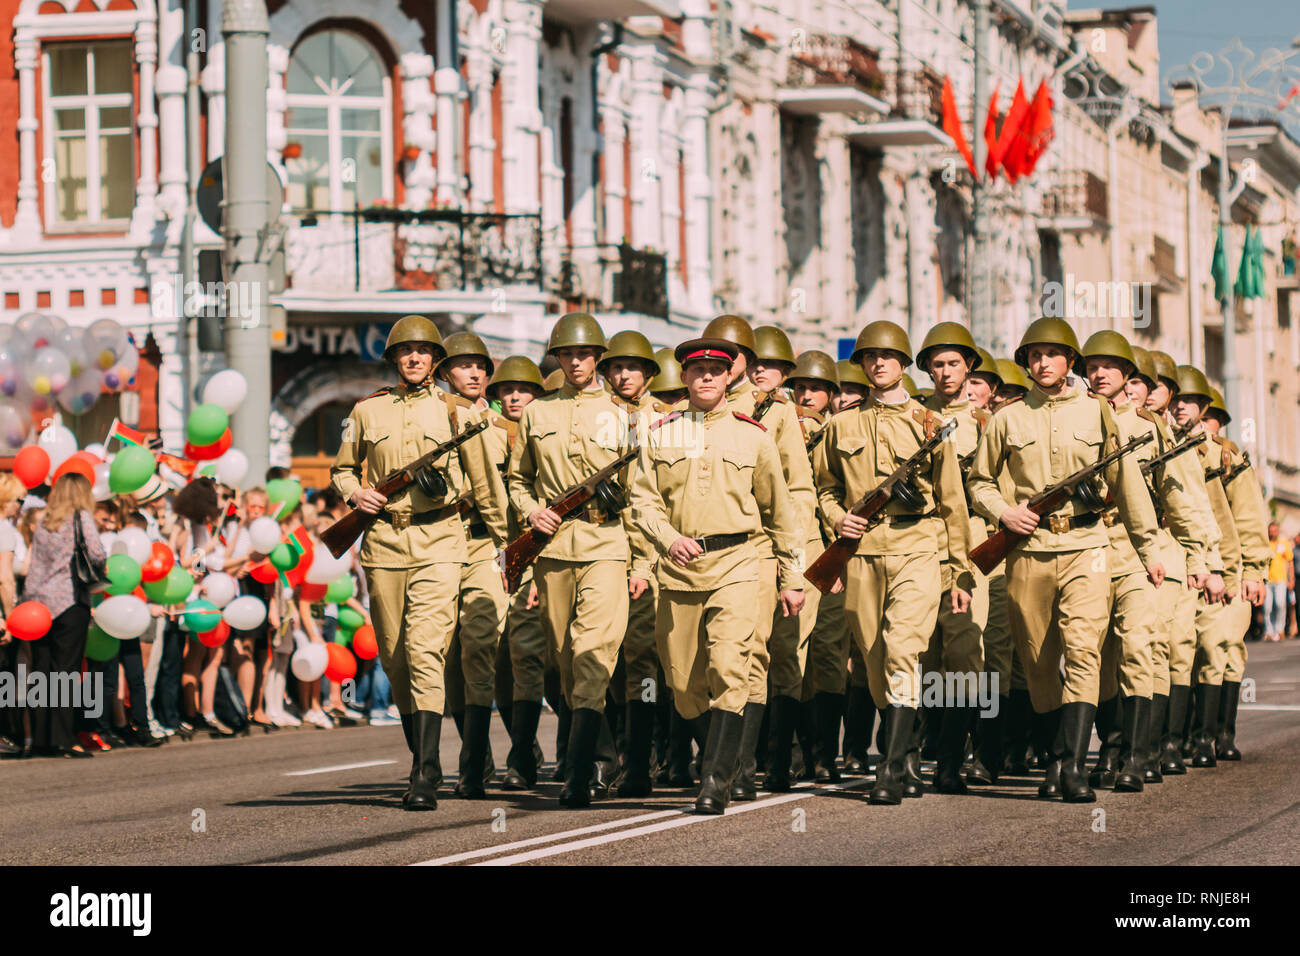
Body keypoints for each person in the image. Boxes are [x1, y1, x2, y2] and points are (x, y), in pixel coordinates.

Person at [967, 318, 1161, 804]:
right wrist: (1004, 512)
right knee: (1036, 660)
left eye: (1052, 354)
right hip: (1028, 552)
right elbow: (978, 482)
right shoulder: (1008, 418)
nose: (1042, 363)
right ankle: (1055, 752)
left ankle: (1070, 764)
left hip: (1087, 548)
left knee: (1082, 650)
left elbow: (1128, 483)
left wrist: (1150, 548)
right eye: (1033, 355)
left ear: (1069, 360)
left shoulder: (1097, 413)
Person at [630, 337, 804, 813]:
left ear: (731, 377)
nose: (706, 377)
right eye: (697, 370)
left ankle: (715, 781)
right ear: (683, 377)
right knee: (684, 685)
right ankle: (721, 760)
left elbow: (780, 513)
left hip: (741, 563)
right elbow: (643, 502)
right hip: (681, 569)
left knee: (730, 666)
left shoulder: (754, 435)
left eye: (715, 370)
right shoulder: (661, 433)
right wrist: (668, 539)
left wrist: (791, 577)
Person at [332, 314, 491, 812]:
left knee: (425, 650)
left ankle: (424, 774)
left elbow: (487, 485)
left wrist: (509, 551)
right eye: (406, 352)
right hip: (382, 544)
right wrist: (355, 492)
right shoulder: (365, 412)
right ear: (394, 360)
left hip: (441, 539)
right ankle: (425, 759)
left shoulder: (459, 414)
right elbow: (341, 468)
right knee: (396, 659)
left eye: (424, 352)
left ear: (436, 361)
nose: (415, 358)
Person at [816, 320, 973, 805]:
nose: (878, 363)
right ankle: (904, 756)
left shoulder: (929, 424)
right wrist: (837, 517)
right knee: (873, 656)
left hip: (918, 545)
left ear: (904, 364)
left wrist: (957, 572)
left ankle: (889, 763)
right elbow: (822, 488)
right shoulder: (839, 425)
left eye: (887, 357)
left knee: (902, 646)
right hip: (863, 552)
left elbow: (952, 502)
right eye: (869, 357)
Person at [507, 312, 648, 808]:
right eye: (567, 354)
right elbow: (517, 480)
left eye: (585, 354)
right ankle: (599, 754)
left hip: (607, 543)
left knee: (593, 651)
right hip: (553, 550)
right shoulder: (537, 414)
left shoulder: (627, 415)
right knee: (563, 662)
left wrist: (643, 563)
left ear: (599, 359)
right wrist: (531, 512)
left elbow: (643, 495)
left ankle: (581, 772)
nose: (576, 361)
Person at [1078, 332, 1217, 794]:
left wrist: (1198, 556)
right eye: (1091, 365)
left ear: (1128, 377)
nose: (1098, 373)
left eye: (1109, 366)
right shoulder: (1075, 418)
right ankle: (1112, 747)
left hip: (1142, 549)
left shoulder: (1151, 428)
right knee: (1097, 656)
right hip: (1088, 546)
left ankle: (1139, 755)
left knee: (1140, 645)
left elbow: (1180, 494)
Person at [695, 315, 815, 802]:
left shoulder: (776, 413)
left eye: (734, 355)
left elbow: (798, 489)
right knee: (696, 663)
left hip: (759, 549)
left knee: (750, 655)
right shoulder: (689, 412)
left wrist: (793, 560)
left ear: (744, 362)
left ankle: (738, 767)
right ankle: (715, 759)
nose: (721, 364)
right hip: (697, 553)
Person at [466, 355, 548, 790]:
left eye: (525, 389)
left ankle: (520, 756)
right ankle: (522, 743)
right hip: (491, 550)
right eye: (507, 390)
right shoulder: (487, 433)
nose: (515, 396)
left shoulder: (548, 431)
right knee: (496, 658)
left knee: (528, 652)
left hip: (535, 552)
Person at [917, 322, 992, 794]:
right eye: (937, 364)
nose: (945, 373)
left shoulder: (988, 423)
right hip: (921, 539)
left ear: (968, 368)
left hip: (971, 539)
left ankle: (951, 760)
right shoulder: (913, 414)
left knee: (965, 653)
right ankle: (922, 748)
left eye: (953, 364)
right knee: (924, 654)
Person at [597, 330, 671, 798]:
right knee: (598, 657)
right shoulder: (590, 416)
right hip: (600, 542)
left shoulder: (671, 421)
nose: (624, 375)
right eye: (616, 367)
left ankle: (644, 760)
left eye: (633, 367)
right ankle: (607, 757)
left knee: (646, 662)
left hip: (652, 549)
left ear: (648, 373)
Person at [435, 330, 507, 798]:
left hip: (486, 543)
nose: (475, 372)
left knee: (479, 645)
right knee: (445, 660)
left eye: (480, 365)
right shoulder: (433, 417)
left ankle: (472, 761)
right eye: (463, 365)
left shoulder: (508, 427)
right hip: (438, 543)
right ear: (445, 373)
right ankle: (476, 754)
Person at [21, 473, 106, 758]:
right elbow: (96, 553)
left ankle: (41, 738)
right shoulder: (81, 518)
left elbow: (35, 563)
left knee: (41, 672)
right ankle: (64, 737)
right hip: (69, 602)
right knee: (65, 673)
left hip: (38, 605)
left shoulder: (44, 521)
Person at [1263, 522, 1292, 642]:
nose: (1272, 533)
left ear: (1278, 531)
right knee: (1267, 606)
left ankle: (1280, 630)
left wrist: (1291, 579)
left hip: (1281, 580)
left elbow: (1290, 562)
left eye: (1274, 530)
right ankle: (1269, 631)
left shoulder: (1283, 544)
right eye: (1270, 530)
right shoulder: (1265, 544)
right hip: (1267, 580)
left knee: (1280, 604)